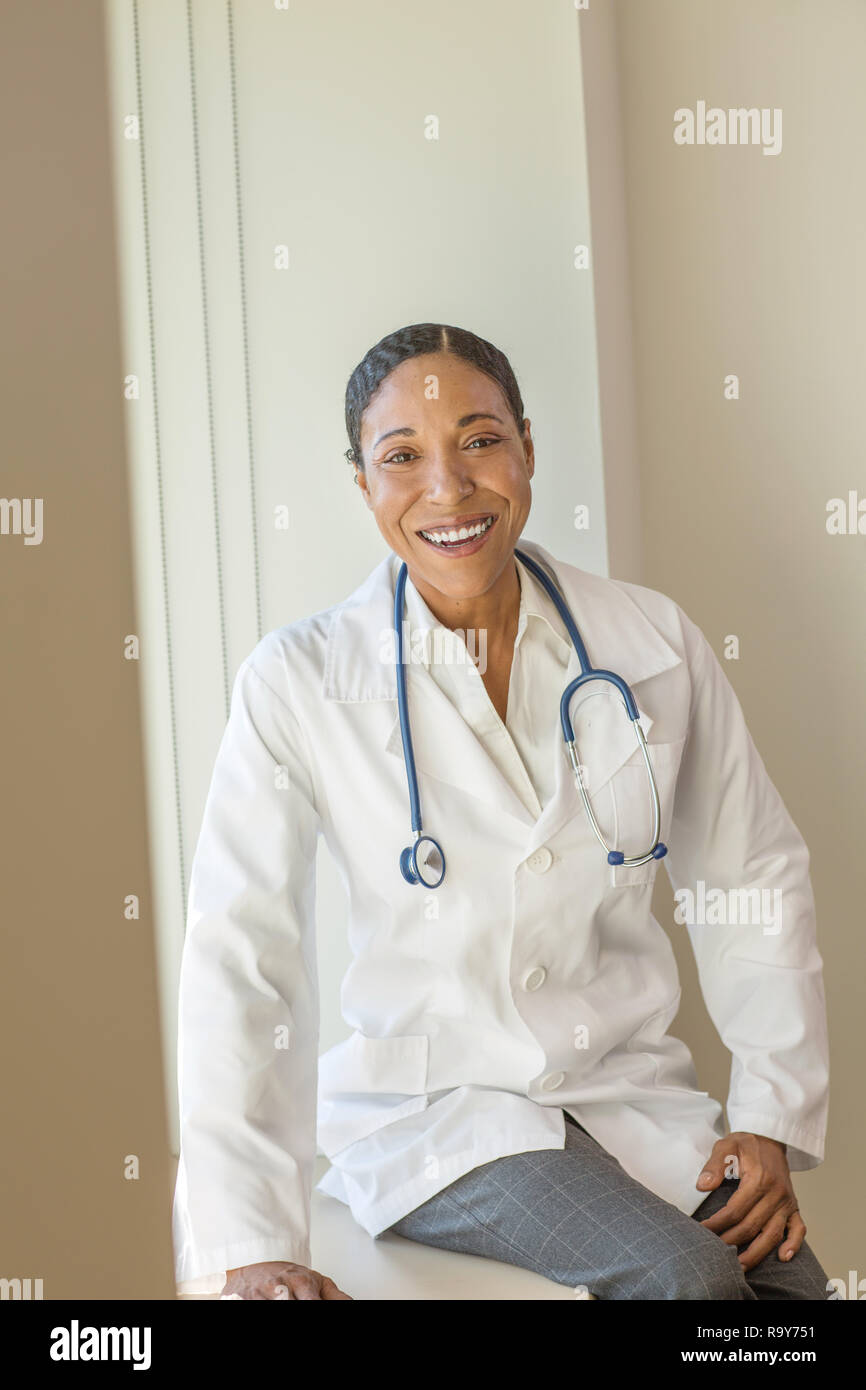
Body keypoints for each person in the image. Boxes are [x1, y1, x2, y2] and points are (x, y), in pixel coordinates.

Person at [172, 322, 830, 1301]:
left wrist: (768, 1110)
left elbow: (749, 873)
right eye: (401, 457)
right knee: (685, 1277)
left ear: (526, 447)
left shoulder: (647, 642)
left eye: (479, 439)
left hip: (622, 1087)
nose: (447, 487)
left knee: (789, 1290)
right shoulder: (299, 680)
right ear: (362, 484)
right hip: (435, 1108)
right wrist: (251, 1236)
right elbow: (242, 957)